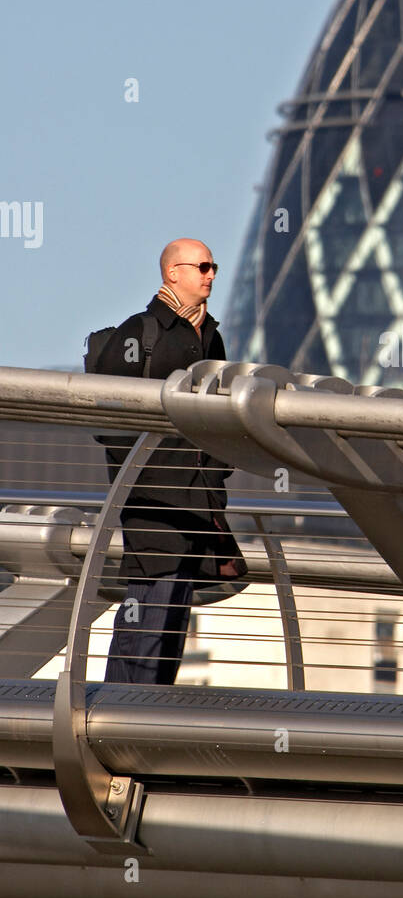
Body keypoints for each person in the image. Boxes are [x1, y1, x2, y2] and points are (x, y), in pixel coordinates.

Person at [92, 238, 244, 685]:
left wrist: (214, 481)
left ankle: (145, 717)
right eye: (202, 266)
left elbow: (219, 419)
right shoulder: (139, 333)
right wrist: (146, 479)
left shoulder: (210, 335)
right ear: (172, 273)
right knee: (149, 614)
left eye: (213, 266)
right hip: (154, 504)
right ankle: (122, 716)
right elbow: (107, 418)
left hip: (197, 505)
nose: (211, 273)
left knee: (172, 618)